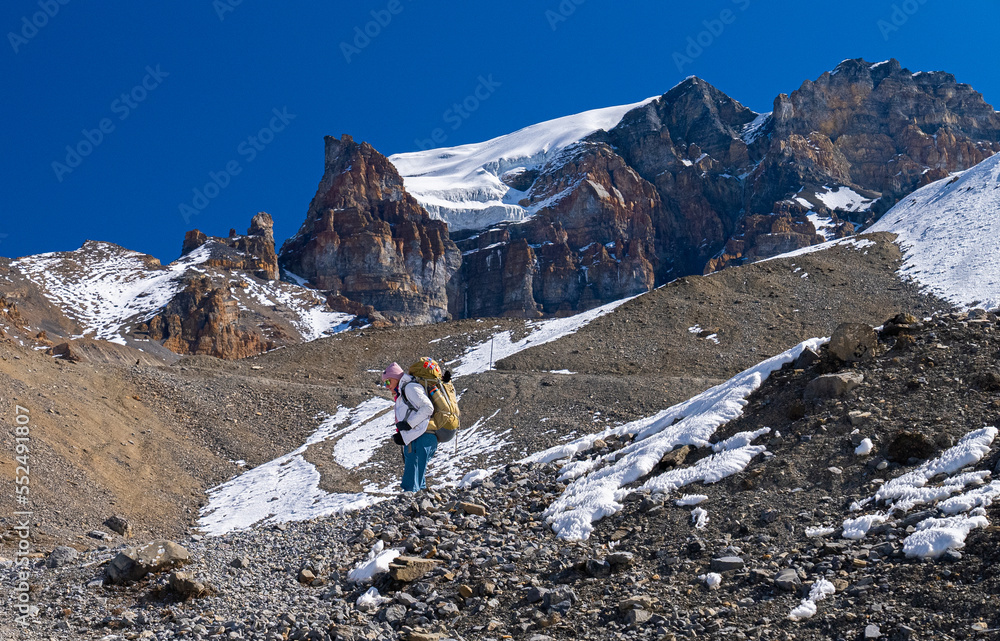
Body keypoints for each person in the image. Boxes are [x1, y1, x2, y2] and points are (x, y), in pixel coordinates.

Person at [381, 362, 438, 492]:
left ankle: (411, 509)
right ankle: (420, 508)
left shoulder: (410, 388)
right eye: (385, 384)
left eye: (388, 382)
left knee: (411, 485)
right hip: (419, 439)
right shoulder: (404, 391)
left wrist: (408, 425)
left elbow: (428, 408)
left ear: (396, 378)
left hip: (421, 439)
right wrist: (403, 434)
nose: (386, 386)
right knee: (418, 484)